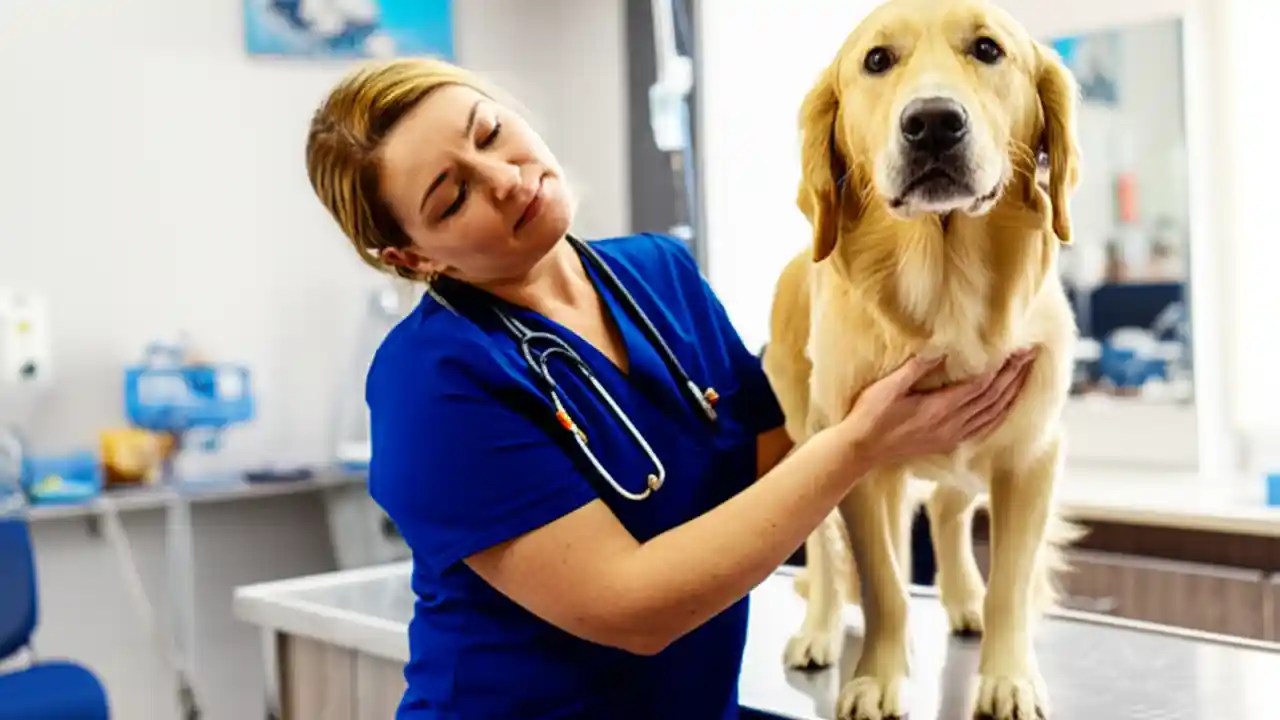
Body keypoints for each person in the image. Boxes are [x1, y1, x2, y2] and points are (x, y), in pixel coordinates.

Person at [304, 57, 1036, 720]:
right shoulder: (431, 385)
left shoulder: (660, 275)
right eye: (453, 196)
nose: (503, 178)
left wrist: (887, 336)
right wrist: (861, 442)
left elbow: (776, 462)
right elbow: (632, 610)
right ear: (413, 258)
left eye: (491, 132)